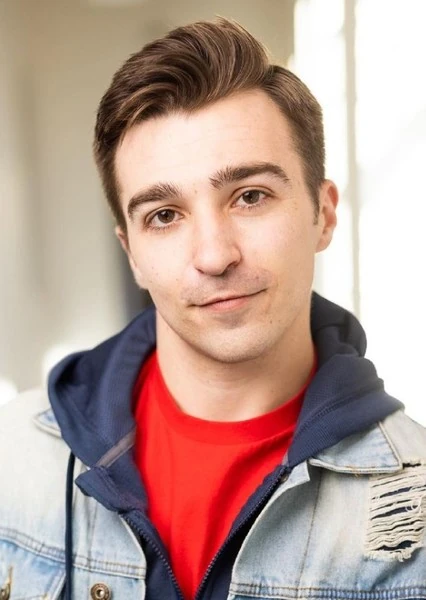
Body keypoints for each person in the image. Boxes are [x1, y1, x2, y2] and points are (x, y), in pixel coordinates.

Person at [1, 17, 425, 600]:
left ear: (323, 214)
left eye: (250, 196)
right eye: (164, 216)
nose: (214, 255)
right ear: (132, 253)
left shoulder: (414, 514)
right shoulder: (13, 459)